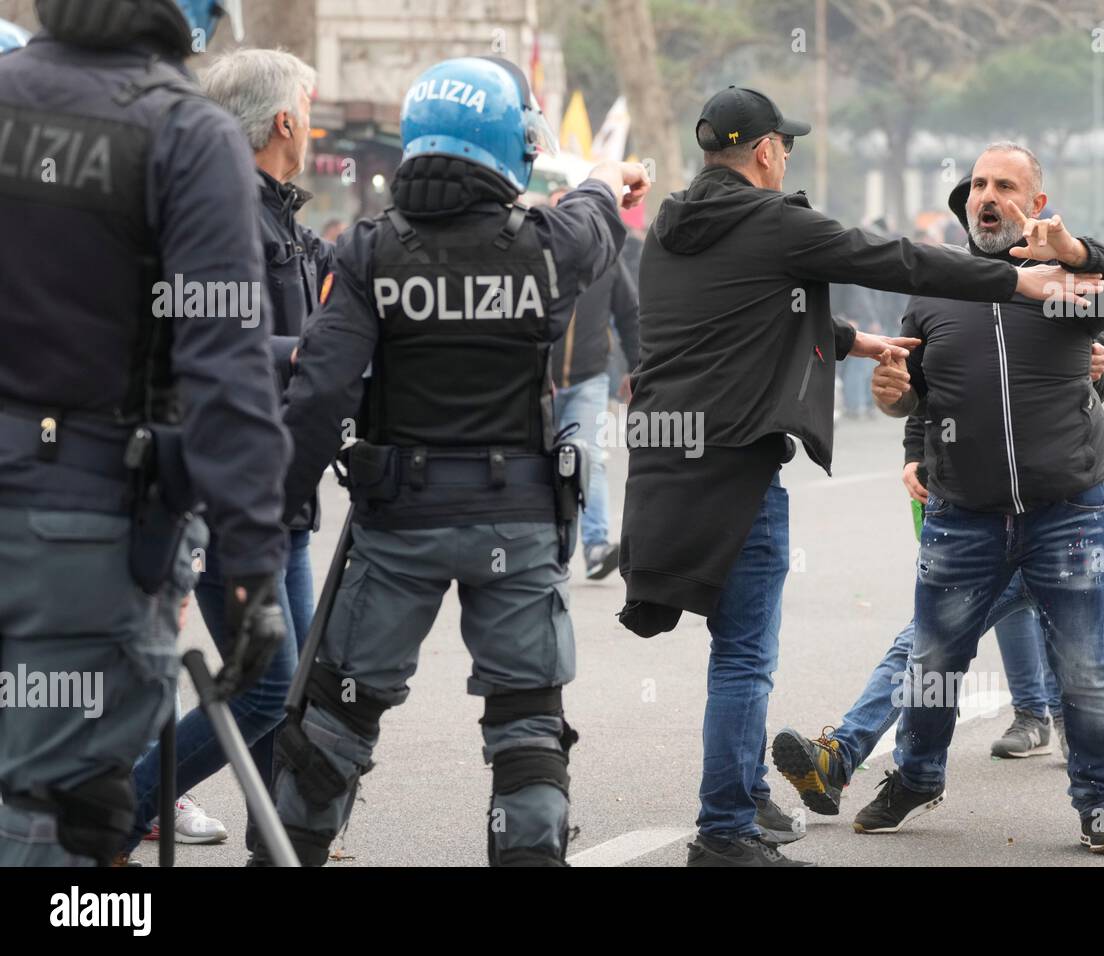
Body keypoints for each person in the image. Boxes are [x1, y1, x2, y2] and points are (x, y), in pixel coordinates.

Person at [616, 89, 1104, 866]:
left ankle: (745, 797)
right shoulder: (774, 221)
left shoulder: (672, 230)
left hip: (663, 467)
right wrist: (1017, 284)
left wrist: (860, 342)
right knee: (742, 656)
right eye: (788, 149)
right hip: (737, 470)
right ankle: (724, 833)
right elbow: (895, 256)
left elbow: (746, 313)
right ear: (768, 152)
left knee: (731, 650)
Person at [249, 56, 651, 867]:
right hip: (520, 525)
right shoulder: (547, 244)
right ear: (511, 145)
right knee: (527, 723)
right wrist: (611, 177)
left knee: (336, 717)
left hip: (400, 523)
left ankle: (285, 859)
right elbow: (597, 213)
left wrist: (267, 521)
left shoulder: (367, 252)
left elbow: (320, 395)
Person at [0, 0, 288, 867]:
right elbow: (226, 369)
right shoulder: (185, 133)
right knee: (67, 815)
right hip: (85, 530)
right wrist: (253, 566)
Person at [774, 323, 1104, 841]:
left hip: (1060, 525)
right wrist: (914, 454)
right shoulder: (949, 293)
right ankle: (845, 758)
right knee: (919, 650)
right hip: (981, 531)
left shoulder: (1056, 278)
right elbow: (925, 397)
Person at [860, 146, 1104, 854]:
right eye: (978, 186)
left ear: (1036, 204)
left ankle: (1101, 804)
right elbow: (915, 392)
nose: (985, 196)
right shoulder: (933, 292)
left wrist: (1074, 252)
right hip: (964, 514)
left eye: (1004, 186)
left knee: (1083, 665)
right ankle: (917, 776)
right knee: (931, 663)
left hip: (1066, 510)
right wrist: (896, 404)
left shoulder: (1069, 282)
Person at [128, 46, 334, 854]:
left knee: (299, 687)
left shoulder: (276, 207)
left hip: (277, 491)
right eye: (309, 110)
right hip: (232, 491)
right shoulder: (224, 212)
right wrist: (301, 354)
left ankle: (278, 838)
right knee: (267, 689)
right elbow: (210, 342)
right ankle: (128, 799)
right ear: (284, 120)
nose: (313, 124)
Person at [547, 188, 640, 579]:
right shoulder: (529, 255)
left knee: (590, 460)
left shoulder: (607, 259)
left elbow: (629, 313)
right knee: (542, 466)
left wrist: (638, 369)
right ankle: (552, 551)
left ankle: (598, 545)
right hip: (538, 382)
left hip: (589, 378)